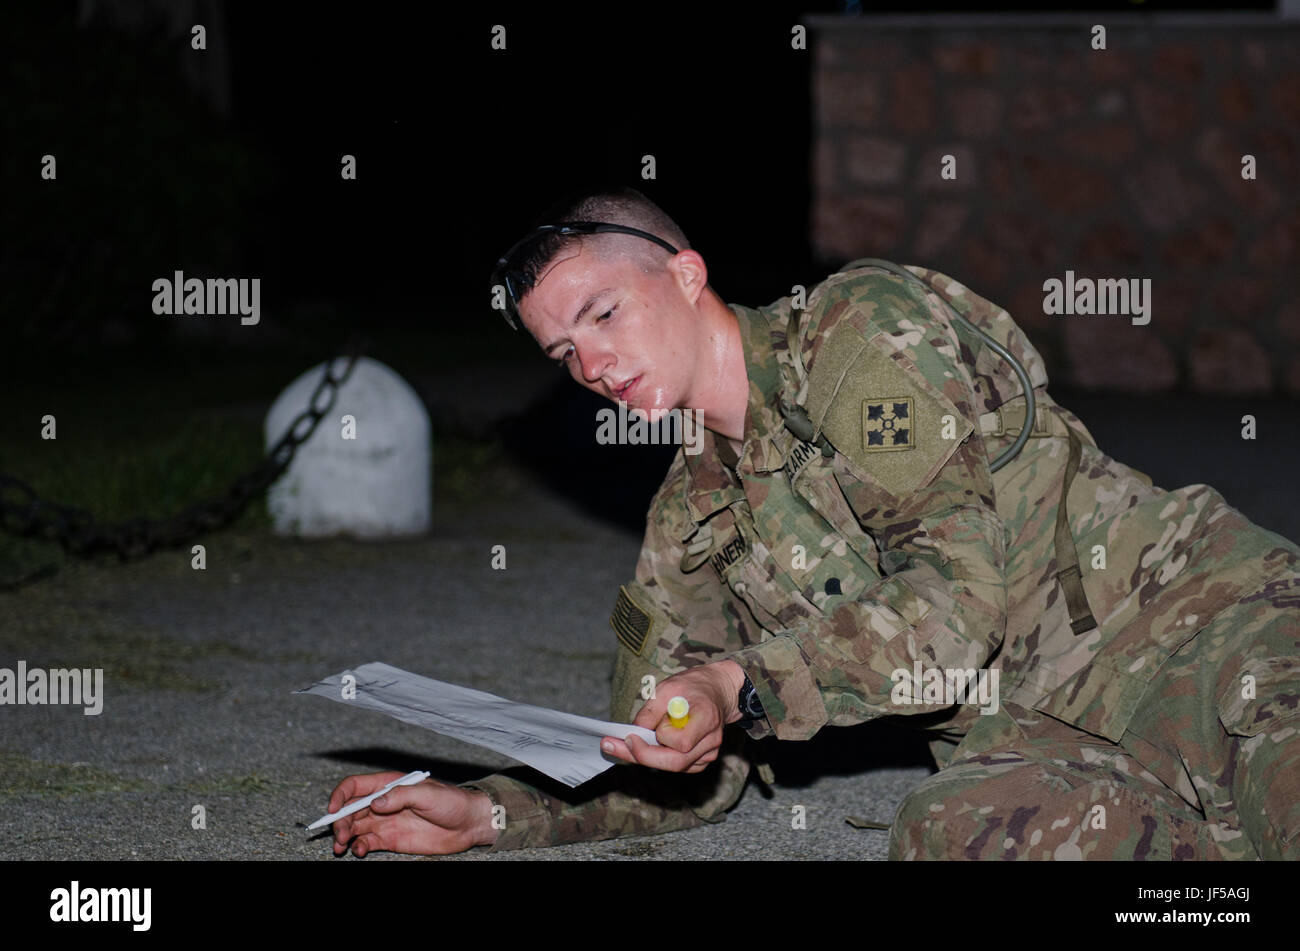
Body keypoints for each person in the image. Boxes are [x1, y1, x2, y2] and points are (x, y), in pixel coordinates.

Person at [326, 186, 1300, 860]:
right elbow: (673, 761)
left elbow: (959, 607)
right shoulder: (689, 518)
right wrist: (489, 814)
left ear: (687, 273)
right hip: (1055, 739)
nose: (590, 364)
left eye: (604, 313)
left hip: (1204, 635)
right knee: (952, 830)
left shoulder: (852, 331)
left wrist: (738, 680)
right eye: (562, 350)